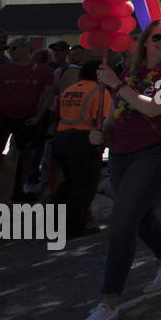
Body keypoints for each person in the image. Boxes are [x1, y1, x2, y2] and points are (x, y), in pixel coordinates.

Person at [72, 20, 161, 320]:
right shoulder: (130, 74)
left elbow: (153, 109)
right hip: (122, 153)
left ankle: (108, 303)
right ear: (144, 41)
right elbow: (119, 110)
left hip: (155, 154)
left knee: (122, 222)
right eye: (157, 37)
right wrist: (103, 131)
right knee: (138, 216)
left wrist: (116, 83)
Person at [0, 37, 56, 203]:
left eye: (14, 48)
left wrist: (38, 116)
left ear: (27, 49)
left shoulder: (43, 71)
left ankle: (18, 190)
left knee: (24, 155)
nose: (10, 52)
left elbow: (48, 94)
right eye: (8, 49)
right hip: (2, 117)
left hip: (28, 118)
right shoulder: (0, 70)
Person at [52, 60, 111, 238]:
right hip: (84, 140)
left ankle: (53, 223)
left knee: (69, 183)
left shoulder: (70, 90)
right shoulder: (100, 92)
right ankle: (75, 227)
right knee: (84, 186)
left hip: (62, 138)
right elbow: (103, 122)